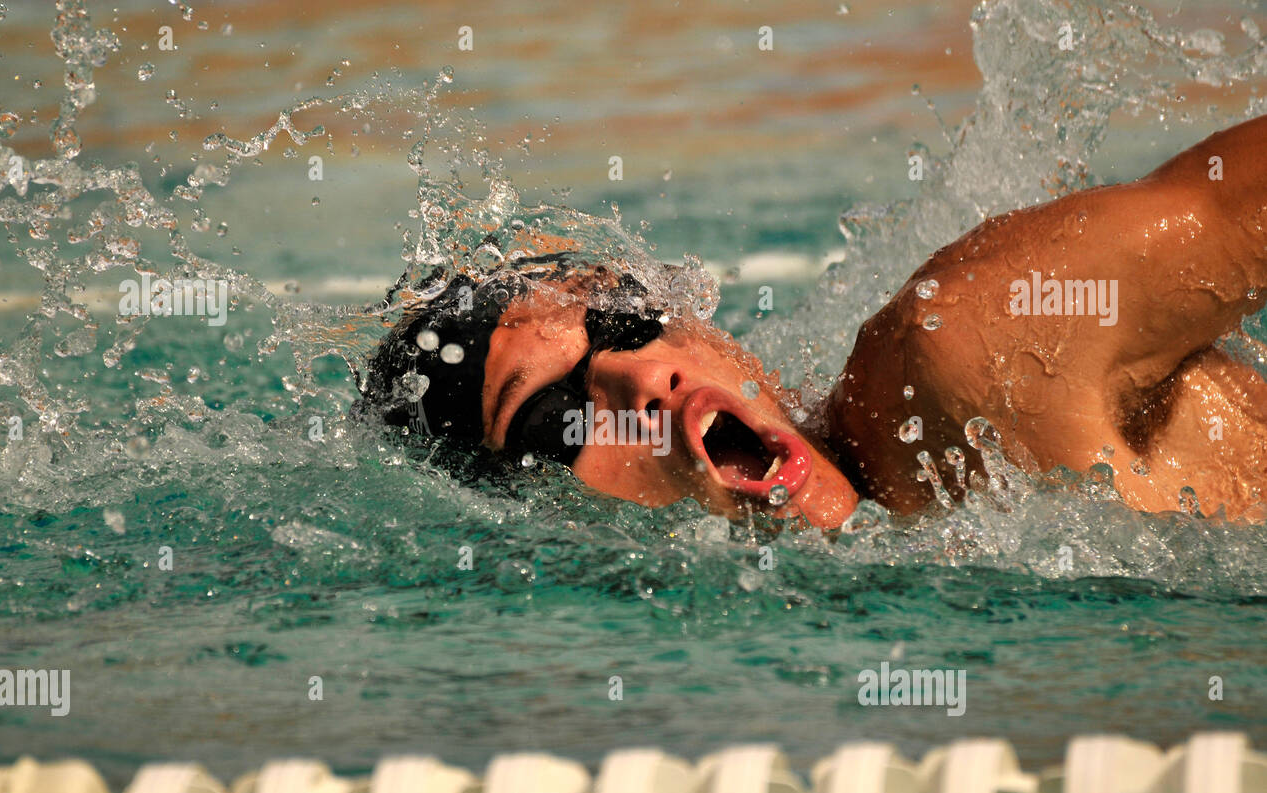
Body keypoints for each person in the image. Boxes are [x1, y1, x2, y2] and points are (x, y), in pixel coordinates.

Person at [355, 116, 1267, 527]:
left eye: (625, 326)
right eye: (555, 419)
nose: (638, 382)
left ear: (693, 322)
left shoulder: (964, 352)